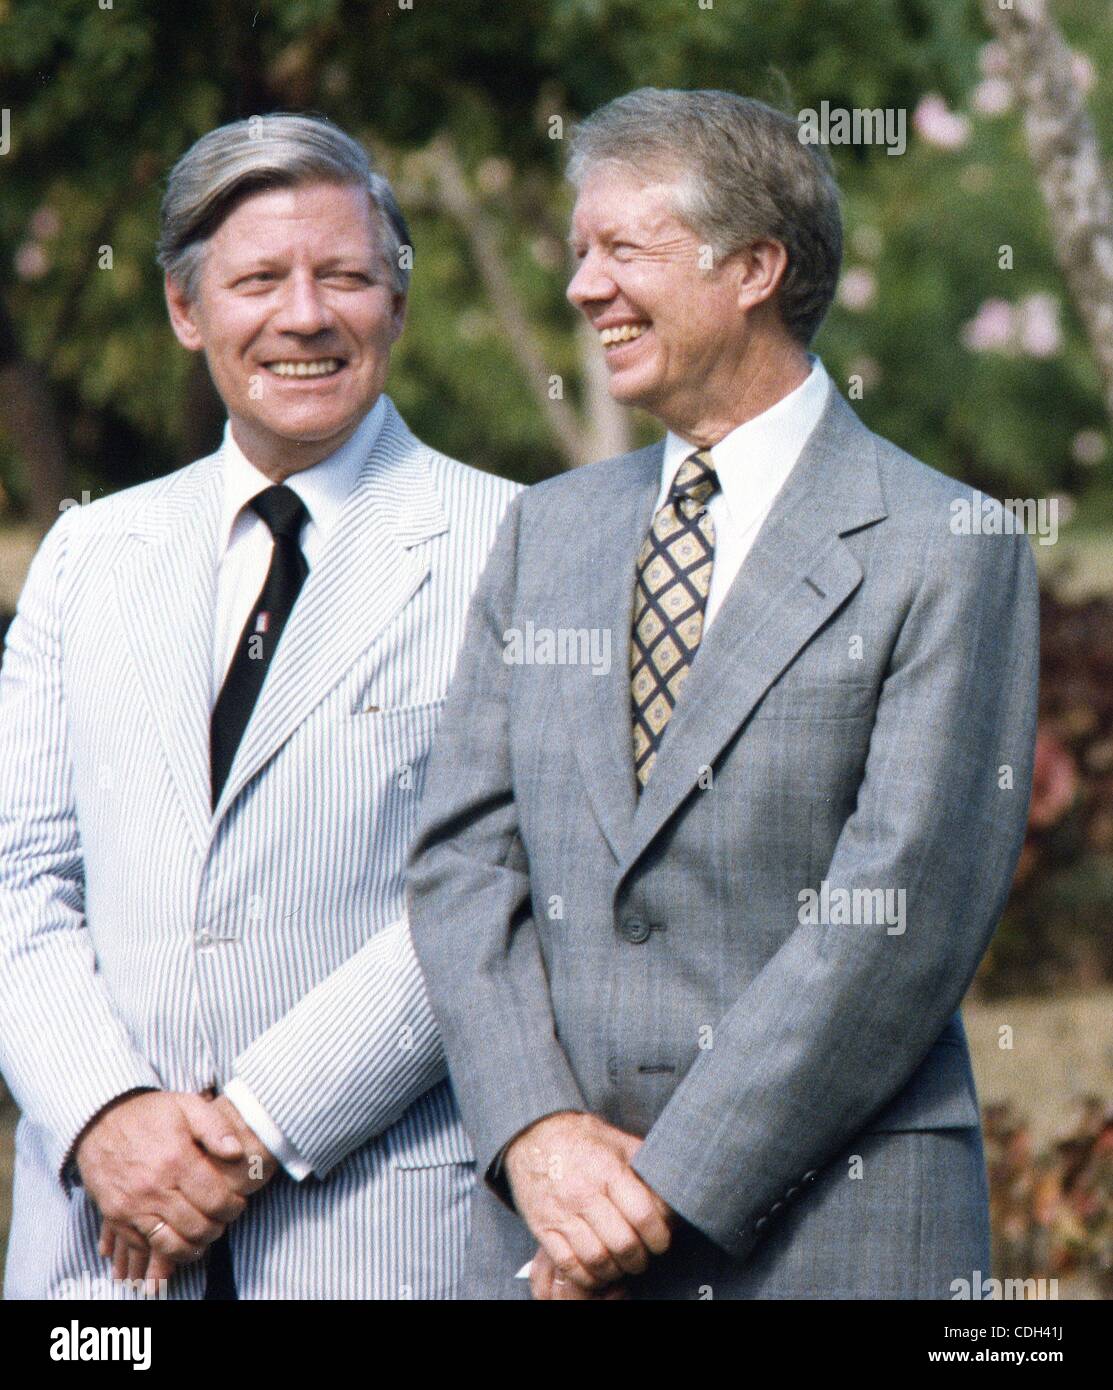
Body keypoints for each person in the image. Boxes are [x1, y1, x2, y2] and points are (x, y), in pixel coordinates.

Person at [407, 88, 1040, 1300]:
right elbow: (460, 866)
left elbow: (896, 910)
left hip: (836, 1237)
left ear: (755, 266)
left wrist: (661, 1186)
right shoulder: (550, 531)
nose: (585, 287)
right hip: (556, 1228)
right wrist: (539, 1136)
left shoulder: (947, 541)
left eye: (622, 250)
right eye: (579, 252)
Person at [0, 113, 518, 1299]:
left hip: (383, 1233)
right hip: (101, 1250)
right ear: (188, 313)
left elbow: (499, 888)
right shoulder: (90, 552)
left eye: (345, 275)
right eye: (257, 281)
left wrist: (251, 1128)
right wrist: (109, 1114)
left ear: (396, 301)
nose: (304, 315)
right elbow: (16, 876)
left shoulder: (517, 545)